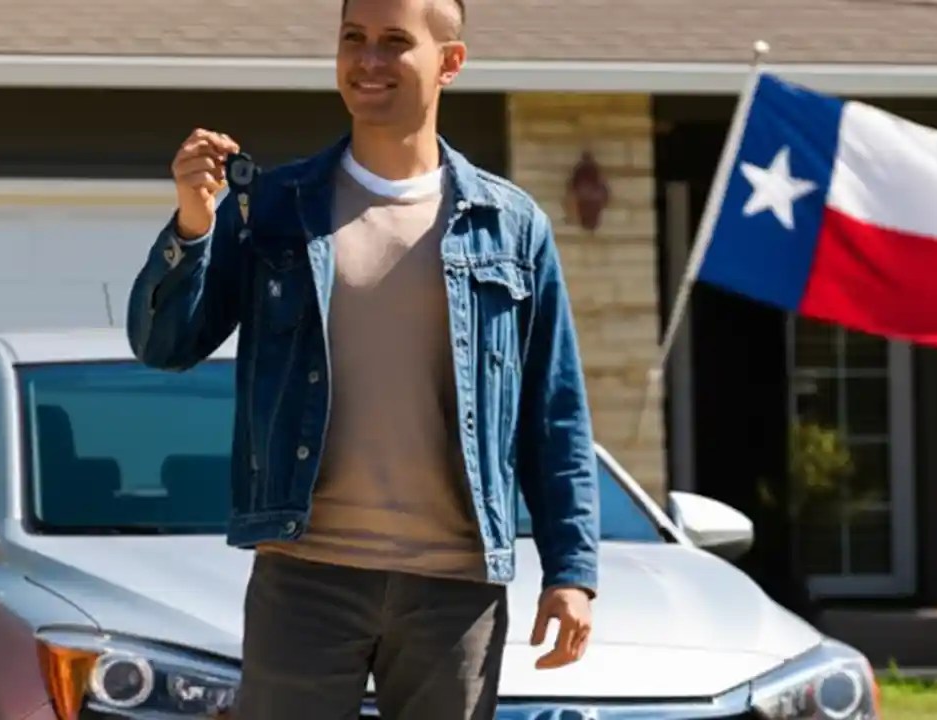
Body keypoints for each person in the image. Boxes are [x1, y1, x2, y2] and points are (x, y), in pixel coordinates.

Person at [126, 0, 600, 717]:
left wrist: (572, 572)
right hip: (306, 577)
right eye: (354, 40)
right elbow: (166, 346)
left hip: (456, 589)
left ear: (450, 63)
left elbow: (553, 415)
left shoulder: (511, 226)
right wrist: (195, 225)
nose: (368, 61)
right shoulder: (278, 207)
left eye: (393, 43)